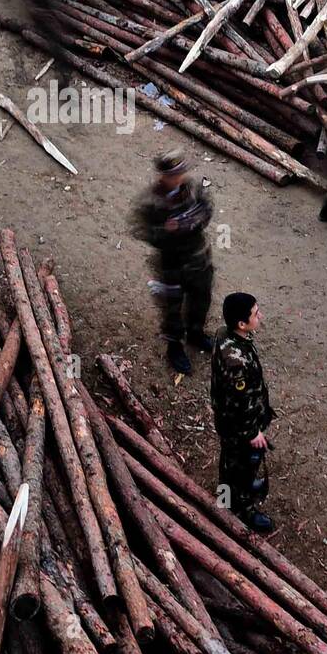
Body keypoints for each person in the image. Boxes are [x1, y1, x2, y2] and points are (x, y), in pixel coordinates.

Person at [131, 150, 215, 374]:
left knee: (201, 299)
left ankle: (196, 334)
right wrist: (167, 232)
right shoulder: (152, 201)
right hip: (172, 264)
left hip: (198, 257)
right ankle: (175, 347)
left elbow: (207, 210)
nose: (178, 177)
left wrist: (189, 223)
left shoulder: (193, 189)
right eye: (173, 174)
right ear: (163, 175)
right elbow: (142, 231)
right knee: (172, 308)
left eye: (181, 172)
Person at [211, 293, 277, 532]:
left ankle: (229, 492)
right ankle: (242, 508)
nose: (260, 316)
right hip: (239, 427)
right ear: (241, 324)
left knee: (230, 461)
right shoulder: (236, 362)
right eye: (256, 313)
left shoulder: (225, 334)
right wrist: (252, 432)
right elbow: (240, 402)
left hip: (231, 422)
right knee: (242, 464)